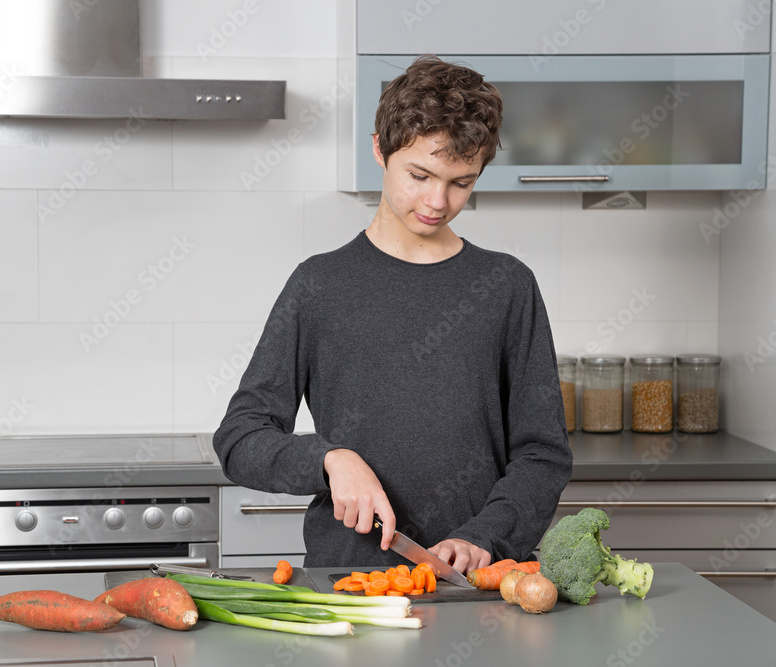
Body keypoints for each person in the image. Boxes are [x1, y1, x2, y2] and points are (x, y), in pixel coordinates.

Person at [213, 55, 572, 574]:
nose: (437, 201)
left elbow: (543, 455)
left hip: (476, 583)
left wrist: (484, 537)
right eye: (420, 175)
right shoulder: (319, 285)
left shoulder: (507, 286)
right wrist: (328, 460)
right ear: (380, 149)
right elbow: (240, 438)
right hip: (350, 584)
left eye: (461, 183)